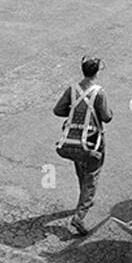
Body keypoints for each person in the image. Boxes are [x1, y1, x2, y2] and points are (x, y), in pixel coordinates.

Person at [52, 56, 113, 236]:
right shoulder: (99, 93)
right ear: (97, 72)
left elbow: (58, 110)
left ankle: (84, 199)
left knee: (80, 168)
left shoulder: (72, 89)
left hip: (73, 140)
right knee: (92, 176)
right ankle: (80, 215)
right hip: (93, 142)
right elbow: (107, 117)